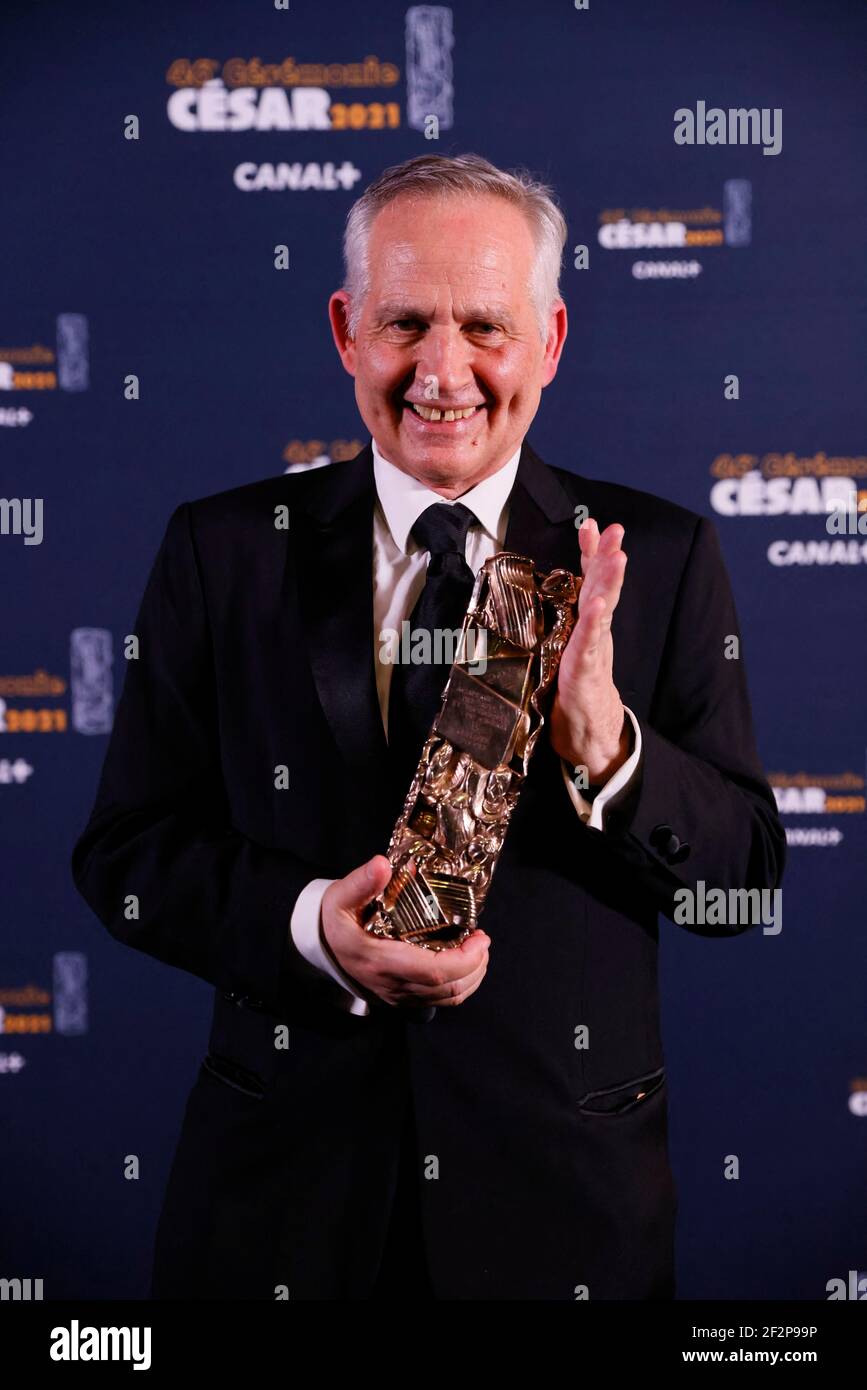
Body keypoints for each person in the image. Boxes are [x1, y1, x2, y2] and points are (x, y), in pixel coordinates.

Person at [71, 152, 785, 1300]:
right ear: (347, 327)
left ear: (550, 340)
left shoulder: (657, 557)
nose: (442, 372)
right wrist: (311, 927)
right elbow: (125, 854)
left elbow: (743, 880)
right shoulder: (223, 551)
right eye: (406, 323)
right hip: (282, 1210)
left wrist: (609, 749)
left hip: (565, 1212)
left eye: (485, 329)